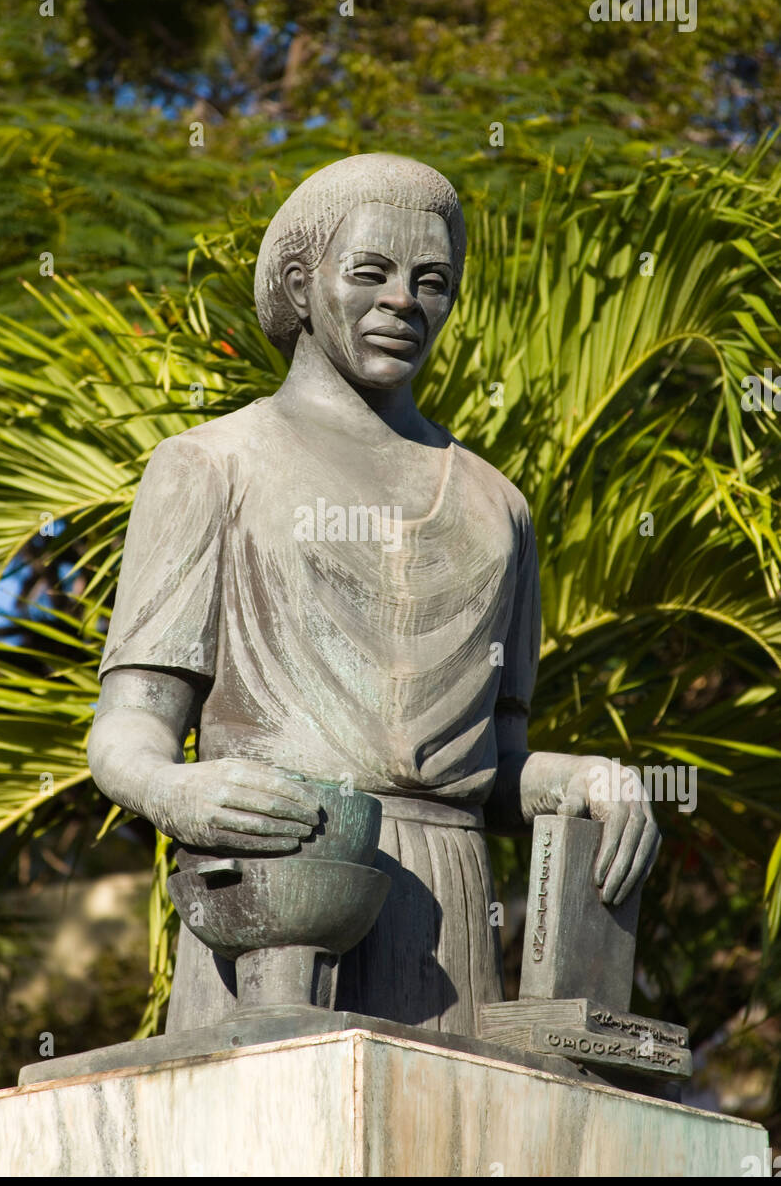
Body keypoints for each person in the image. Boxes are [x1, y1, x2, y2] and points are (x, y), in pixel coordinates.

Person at [88, 153, 659, 1038]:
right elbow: (129, 727)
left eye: (432, 280)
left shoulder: (495, 504)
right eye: (371, 272)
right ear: (299, 283)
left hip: (449, 912)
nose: (404, 300)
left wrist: (583, 780)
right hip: (276, 877)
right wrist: (177, 792)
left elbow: (495, 772)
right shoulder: (211, 466)